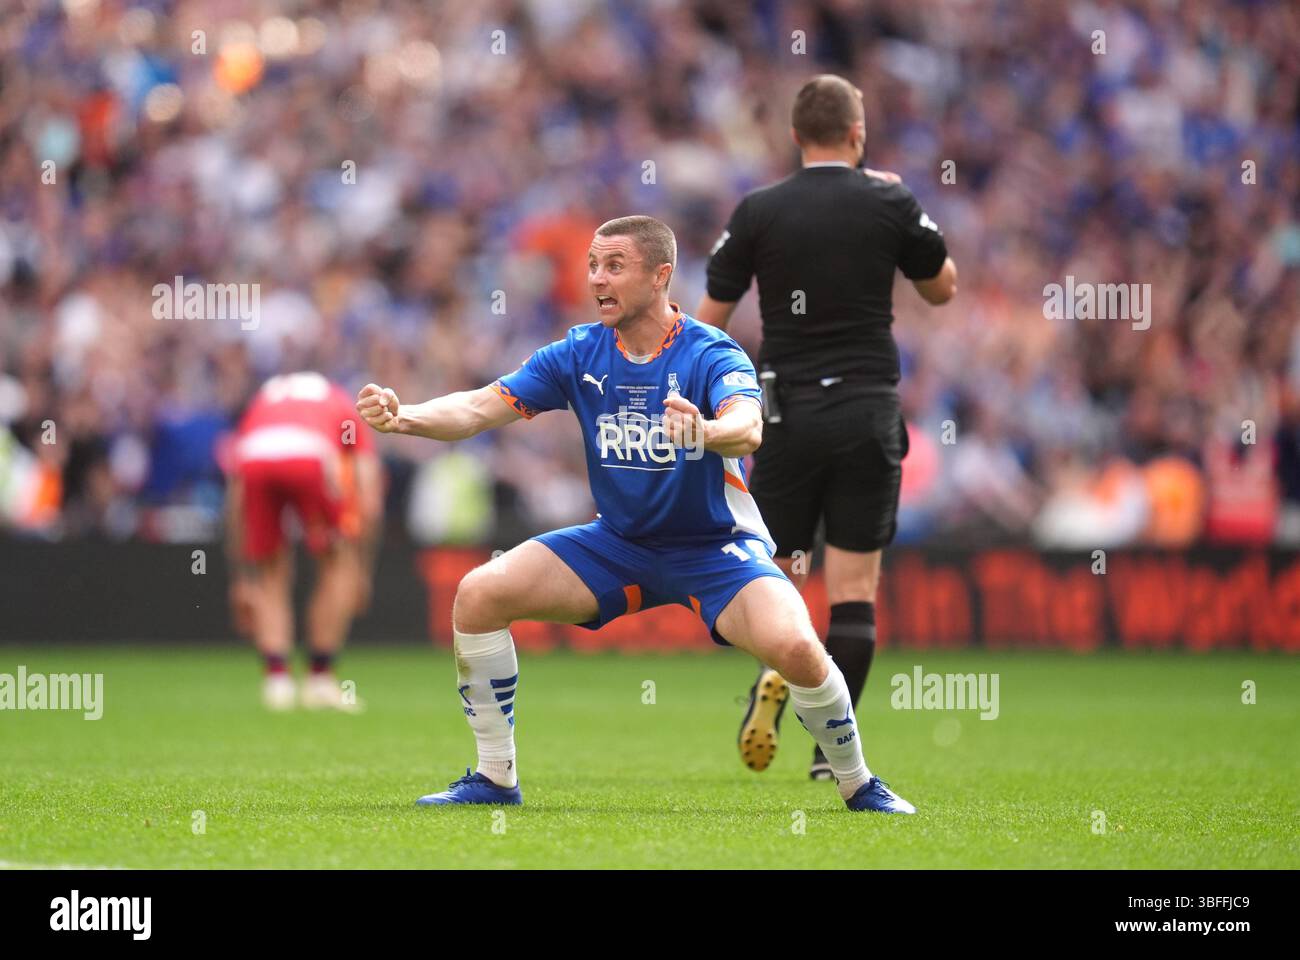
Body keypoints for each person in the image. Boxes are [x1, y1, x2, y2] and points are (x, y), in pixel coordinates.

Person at [356, 215, 915, 812]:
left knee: (798, 649)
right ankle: (495, 777)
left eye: (614, 266)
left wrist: (704, 429)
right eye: (594, 265)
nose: (597, 277)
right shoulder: (577, 351)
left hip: (715, 549)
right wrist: (405, 416)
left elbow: (747, 427)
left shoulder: (710, 351)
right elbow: (476, 408)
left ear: (660, 276)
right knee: (478, 594)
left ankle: (859, 783)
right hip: (618, 544)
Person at [697, 75, 957, 779]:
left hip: (786, 413)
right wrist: (901, 210)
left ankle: (773, 680)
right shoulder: (891, 199)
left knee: (774, 581)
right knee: (854, 589)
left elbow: (708, 320)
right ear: (857, 133)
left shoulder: (760, 210)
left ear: (793, 137)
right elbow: (943, 286)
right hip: (868, 409)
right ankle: (827, 754)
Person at [226, 371, 383, 711]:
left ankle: (277, 681)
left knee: (270, 572)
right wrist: (362, 570)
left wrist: (240, 577)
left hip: (254, 459)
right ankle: (319, 677)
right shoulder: (341, 401)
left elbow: (234, 500)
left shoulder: (263, 400)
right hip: (311, 456)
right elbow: (369, 496)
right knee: (336, 563)